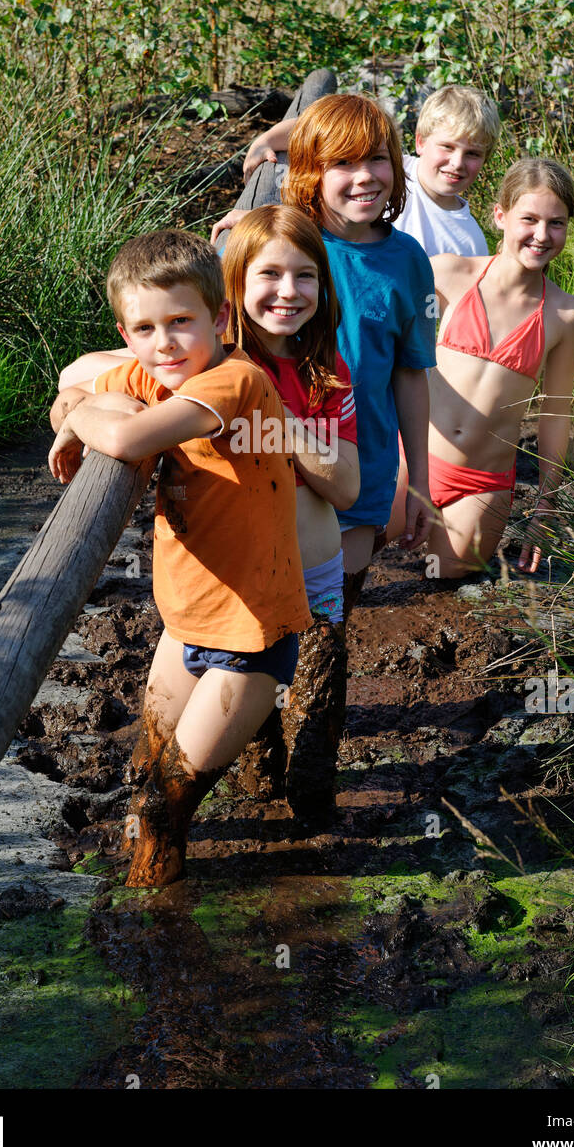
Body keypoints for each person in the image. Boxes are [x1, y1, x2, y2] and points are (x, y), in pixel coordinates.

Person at [70, 94, 437, 615]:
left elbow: (410, 375)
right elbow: (194, 330)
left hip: (354, 465)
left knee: (324, 627)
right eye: (344, 163)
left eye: (378, 159)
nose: (365, 177)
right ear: (313, 170)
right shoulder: (283, 243)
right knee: (259, 617)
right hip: (257, 465)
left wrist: (419, 482)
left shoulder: (407, 261)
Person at [47, 230, 311, 886]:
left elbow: (127, 432)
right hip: (184, 624)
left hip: (252, 638)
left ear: (220, 318)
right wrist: (73, 410)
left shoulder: (235, 382)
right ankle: (147, 889)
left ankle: (152, 920)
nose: (163, 342)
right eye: (145, 327)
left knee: (165, 803)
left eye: (180, 322)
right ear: (125, 332)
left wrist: (81, 422)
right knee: (147, 764)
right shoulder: (147, 371)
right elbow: (70, 392)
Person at [221, 203, 360, 820]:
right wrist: (72, 410)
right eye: (269, 275)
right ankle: (260, 789)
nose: (288, 291)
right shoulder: (211, 364)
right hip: (245, 584)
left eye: (305, 276)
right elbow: (99, 369)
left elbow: (346, 487)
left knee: (317, 706)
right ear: (235, 283)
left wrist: (275, 417)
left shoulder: (325, 371)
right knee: (255, 729)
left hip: (319, 573)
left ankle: (316, 808)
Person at [391, 157, 574, 578]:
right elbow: (384, 339)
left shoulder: (566, 314)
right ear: (500, 216)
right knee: (348, 555)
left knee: (444, 580)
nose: (541, 235)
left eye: (556, 223)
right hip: (414, 461)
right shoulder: (448, 274)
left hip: (482, 483)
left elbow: (556, 413)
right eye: (529, 219)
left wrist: (546, 505)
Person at [232, 83, 500, 261]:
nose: (456, 163)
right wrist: (264, 141)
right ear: (420, 141)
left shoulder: (471, 242)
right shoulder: (389, 168)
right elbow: (314, 130)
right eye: (447, 147)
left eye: (473, 154)